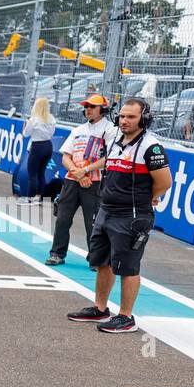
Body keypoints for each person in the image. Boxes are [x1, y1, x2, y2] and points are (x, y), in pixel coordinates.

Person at [67, 98, 172, 334]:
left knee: (127, 266)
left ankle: (126, 317)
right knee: (102, 261)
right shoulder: (115, 139)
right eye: (122, 116)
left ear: (143, 119)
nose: (124, 120)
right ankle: (100, 308)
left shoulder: (151, 146)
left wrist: (146, 198)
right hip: (107, 209)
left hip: (132, 215)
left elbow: (165, 182)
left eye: (131, 117)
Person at [48, 95, 115, 265]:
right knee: (62, 219)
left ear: (103, 109)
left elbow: (109, 157)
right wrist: (77, 173)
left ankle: (95, 258)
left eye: (92, 106)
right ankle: (57, 253)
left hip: (95, 183)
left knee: (93, 224)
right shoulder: (78, 130)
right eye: (86, 106)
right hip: (72, 180)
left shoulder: (110, 129)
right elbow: (65, 156)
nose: (88, 110)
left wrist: (85, 171)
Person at [21, 96, 57, 203]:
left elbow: (26, 134)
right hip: (48, 145)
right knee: (41, 173)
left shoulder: (34, 120)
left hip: (37, 146)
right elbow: (52, 133)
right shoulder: (51, 119)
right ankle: (39, 197)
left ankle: (29, 198)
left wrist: (24, 127)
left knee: (32, 174)